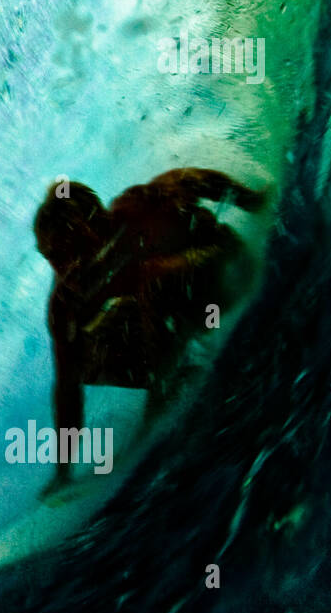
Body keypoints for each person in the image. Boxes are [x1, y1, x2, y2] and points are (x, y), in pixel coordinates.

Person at [33, 168, 269, 495]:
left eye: (61, 255)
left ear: (88, 230)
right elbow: (67, 390)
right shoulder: (67, 301)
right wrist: (64, 472)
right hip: (184, 317)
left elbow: (191, 179)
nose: (60, 271)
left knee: (152, 280)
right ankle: (179, 374)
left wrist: (255, 201)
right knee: (82, 358)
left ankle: (161, 400)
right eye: (50, 258)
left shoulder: (136, 211)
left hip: (225, 274)